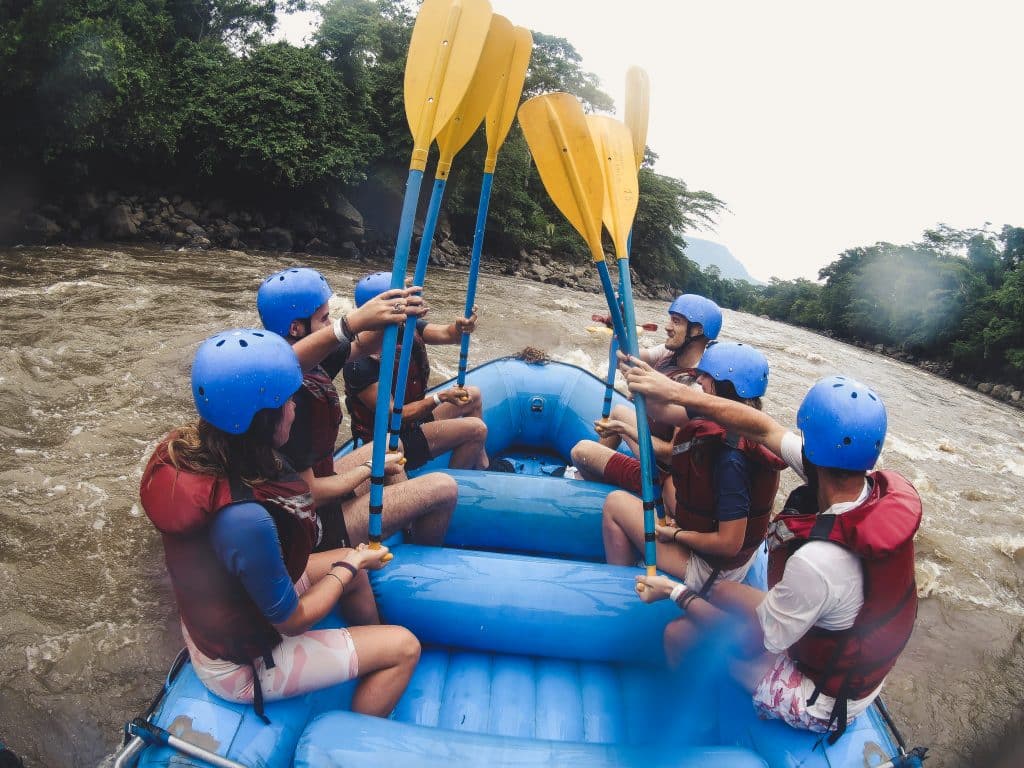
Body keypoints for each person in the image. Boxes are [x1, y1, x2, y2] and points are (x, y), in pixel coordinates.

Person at [628, 364, 921, 740]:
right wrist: (676, 392)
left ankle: (697, 725)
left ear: (812, 445)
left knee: (679, 636)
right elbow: (761, 427)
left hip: (821, 699)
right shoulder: (864, 491)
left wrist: (674, 592)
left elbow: (759, 636)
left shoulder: (817, 563)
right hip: (838, 640)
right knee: (721, 590)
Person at [140, 329, 420, 718]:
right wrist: (350, 566)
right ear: (263, 420)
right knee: (405, 646)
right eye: (288, 401)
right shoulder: (245, 520)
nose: (295, 408)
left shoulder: (191, 448)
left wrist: (347, 566)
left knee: (348, 564)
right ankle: (351, 737)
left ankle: (363, 652)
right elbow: (292, 621)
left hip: (227, 609)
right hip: (241, 667)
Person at [257, 266, 457, 548]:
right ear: (295, 328)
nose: (330, 324)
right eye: (325, 318)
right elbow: (309, 494)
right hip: (308, 521)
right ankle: (420, 557)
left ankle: (408, 522)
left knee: (389, 446)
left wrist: (392, 311)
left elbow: (361, 346)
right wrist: (368, 468)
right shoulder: (286, 396)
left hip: (316, 486)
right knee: (443, 488)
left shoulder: (315, 359)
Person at [603, 342, 785, 594]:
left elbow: (729, 544)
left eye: (706, 377)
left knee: (615, 504)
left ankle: (619, 595)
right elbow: (663, 410)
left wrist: (677, 535)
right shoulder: (740, 421)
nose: (699, 380)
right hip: (727, 557)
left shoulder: (731, 459)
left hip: (714, 570)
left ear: (724, 386)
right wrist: (632, 372)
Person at [571, 294, 723, 492]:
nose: (667, 327)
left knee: (581, 450)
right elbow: (622, 360)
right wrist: (619, 326)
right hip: (652, 440)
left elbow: (670, 454)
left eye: (676, 322)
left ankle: (595, 480)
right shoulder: (669, 354)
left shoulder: (699, 385)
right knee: (618, 412)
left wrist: (628, 431)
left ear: (697, 330)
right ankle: (593, 473)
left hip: (663, 476)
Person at [343, 271, 489, 471]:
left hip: (415, 421)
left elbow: (449, 334)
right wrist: (440, 397)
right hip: (391, 440)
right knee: (477, 430)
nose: (409, 304)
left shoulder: (405, 327)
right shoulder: (358, 363)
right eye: (402, 300)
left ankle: (481, 465)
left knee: (473, 395)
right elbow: (394, 415)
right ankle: (455, 485)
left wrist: (460, 328)